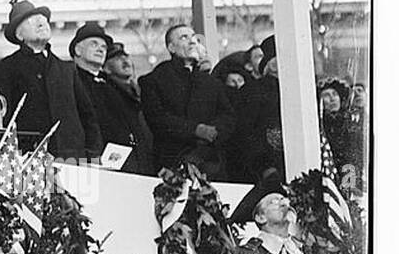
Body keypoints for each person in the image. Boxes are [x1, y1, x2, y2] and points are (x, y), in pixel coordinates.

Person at [0, 0, 103, 161]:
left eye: (43, 18)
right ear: (19, 35)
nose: (40, 22)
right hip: (29, 163)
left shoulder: (67, 69)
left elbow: (88, 117)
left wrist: (91, 154)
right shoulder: (6, 69)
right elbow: (2, 120)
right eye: (31, 20)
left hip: (73, 162)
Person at [139, 23, 234, 179]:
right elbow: (157, 119)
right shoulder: (154, 80)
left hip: (211, 163)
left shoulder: (212, 83)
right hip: (172, 162)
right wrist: (196, 129)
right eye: (184, 37)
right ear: (171, 48)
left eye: (194, 38)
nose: (192, 42)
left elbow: (228, 116)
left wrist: (215, 131)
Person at [69, 25, 154, 174]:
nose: (101, 49)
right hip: (96, 166)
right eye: (93, 44)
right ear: (77, 50)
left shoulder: (112, 84)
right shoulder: (70, 80)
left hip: (132, 164)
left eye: (103, 46)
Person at [231, 34, 283, 184]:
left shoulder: (301, 91)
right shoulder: (254, 90)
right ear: (272, 64)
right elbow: (245, 132)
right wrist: (265, 166)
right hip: (266, 171)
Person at [101, 42, 157, 174]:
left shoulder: (140, 92)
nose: (125, 61)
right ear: (106, 68)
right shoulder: (108, 95)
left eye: (126, 57)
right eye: (117, 58)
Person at [318, 78, 364, 190]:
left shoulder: (350, 124)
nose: (332, 98)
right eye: (327, 95)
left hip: (348, 180)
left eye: (335, 94)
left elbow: (353, 158)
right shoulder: (319, 126)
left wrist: (349, 185)